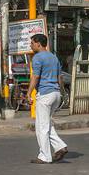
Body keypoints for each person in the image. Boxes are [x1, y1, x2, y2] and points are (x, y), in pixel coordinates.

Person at [28, 34, 68, 164]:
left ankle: (45, 156)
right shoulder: (53, 57)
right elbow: (59, 77)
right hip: (55, 94)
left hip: (45, 95)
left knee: (41, 127)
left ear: (38, 44)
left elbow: (35, 77)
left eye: (32, 43)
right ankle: (60, 146)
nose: (31, 45)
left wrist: (29, 93)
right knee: (47, 124)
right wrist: (61, 92)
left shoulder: (38, 58)